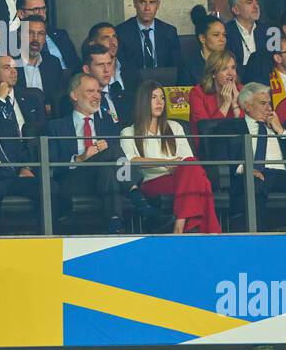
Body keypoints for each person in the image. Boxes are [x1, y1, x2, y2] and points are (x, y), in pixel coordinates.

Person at [213, 82, 286, 232]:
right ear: (247, 106)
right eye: (263, 103)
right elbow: (221, 157)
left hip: (282, 174)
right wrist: (246, 169)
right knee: (255, 186)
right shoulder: (228, 127)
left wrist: (280, 130)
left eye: (269, 103)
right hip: (252, 175)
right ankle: (258, 238)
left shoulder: (278, 127)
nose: (269, 108)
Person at [120, 80, 220, 233]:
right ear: (143, 101)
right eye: (154, 98)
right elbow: (131, 161)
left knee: (193, 168)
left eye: (162, 98)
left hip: (179, 177)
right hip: (152, 181)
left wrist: (176, 166)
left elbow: (187, 159)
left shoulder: (175, 127)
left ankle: (179, 224)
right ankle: (205, 231)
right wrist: (165, 162)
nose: (160, 102)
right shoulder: (129, 132)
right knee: (202, 183)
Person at [45, 73, 126, 233]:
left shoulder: (108, 126)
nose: (97, 96)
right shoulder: (56, 126)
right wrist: (81, 158)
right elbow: (52, 166)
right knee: (113, 152)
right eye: (90, 91)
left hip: (104, 179)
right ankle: (135, 192)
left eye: (98, 92)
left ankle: (115, 222)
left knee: (108, 168)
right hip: (74, 180)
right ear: (74, 95)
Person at [0, 81, 44, 235]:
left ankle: (46, 236)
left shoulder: (5, 125)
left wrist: (25, 168)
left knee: (49, 187)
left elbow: (21, 151)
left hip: (12, 175)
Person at [116, 0, 183, 75]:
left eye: (152, 2)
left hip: (164, 85)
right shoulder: (121, 32)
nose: (147, 8)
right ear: (135, 3)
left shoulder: (169, 32)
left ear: (158, 5)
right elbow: (120, 69)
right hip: (133, 86)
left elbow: (177, 67)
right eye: (142, 2)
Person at [187, 49, 243, 149]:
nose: (231, 73)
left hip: (239, 148)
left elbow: (248, 129)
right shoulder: (198, 93)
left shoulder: (242, 90)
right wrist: (226, 104)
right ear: (213, 73)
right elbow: (207, 132)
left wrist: (235, 105)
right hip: (209, 149)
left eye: (233, 68)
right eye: (224, 69)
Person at [16, 0, 78, 72]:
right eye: (36, 10)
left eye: (43, 8)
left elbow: (76, 65)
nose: (42, 14)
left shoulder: (61, 35)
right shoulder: (12, 41)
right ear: (21, 14)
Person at [0, 53, 46, 135]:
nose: (14, 71)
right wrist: (0, 99)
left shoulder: (33, 97)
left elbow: (43, 132)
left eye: (14, 67)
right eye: (7, 68)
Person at [18, 15, 66, 113]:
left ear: (44, 38)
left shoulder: (53, 63)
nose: (35, 39)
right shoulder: (10, 63)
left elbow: (57, 99)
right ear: (20, 35)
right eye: (30, 33)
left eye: (40, 34)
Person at [80, 41, 129, 127]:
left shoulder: (122, 95)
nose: (106, 70)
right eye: (100, 65)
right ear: (87, 69)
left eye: (109, 64)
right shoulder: (79, 100)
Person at [224, 0, 266, 80]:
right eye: (249, 3)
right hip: (237, 82)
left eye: (257, 2)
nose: (256, 7)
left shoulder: (267, 31)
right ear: (236, 10)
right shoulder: (225, 32)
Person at [182, 7, 227, 85]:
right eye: (216, 35)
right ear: (202, 38)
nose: (222, 39)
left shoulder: (230, 61)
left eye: (224, 35)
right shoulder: (189, 67)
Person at [85, 23, 126, 91]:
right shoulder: (82, 78)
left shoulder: (130, 68)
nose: (113, 42)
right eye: (106, 38)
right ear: (92, 43)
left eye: (114, 36)